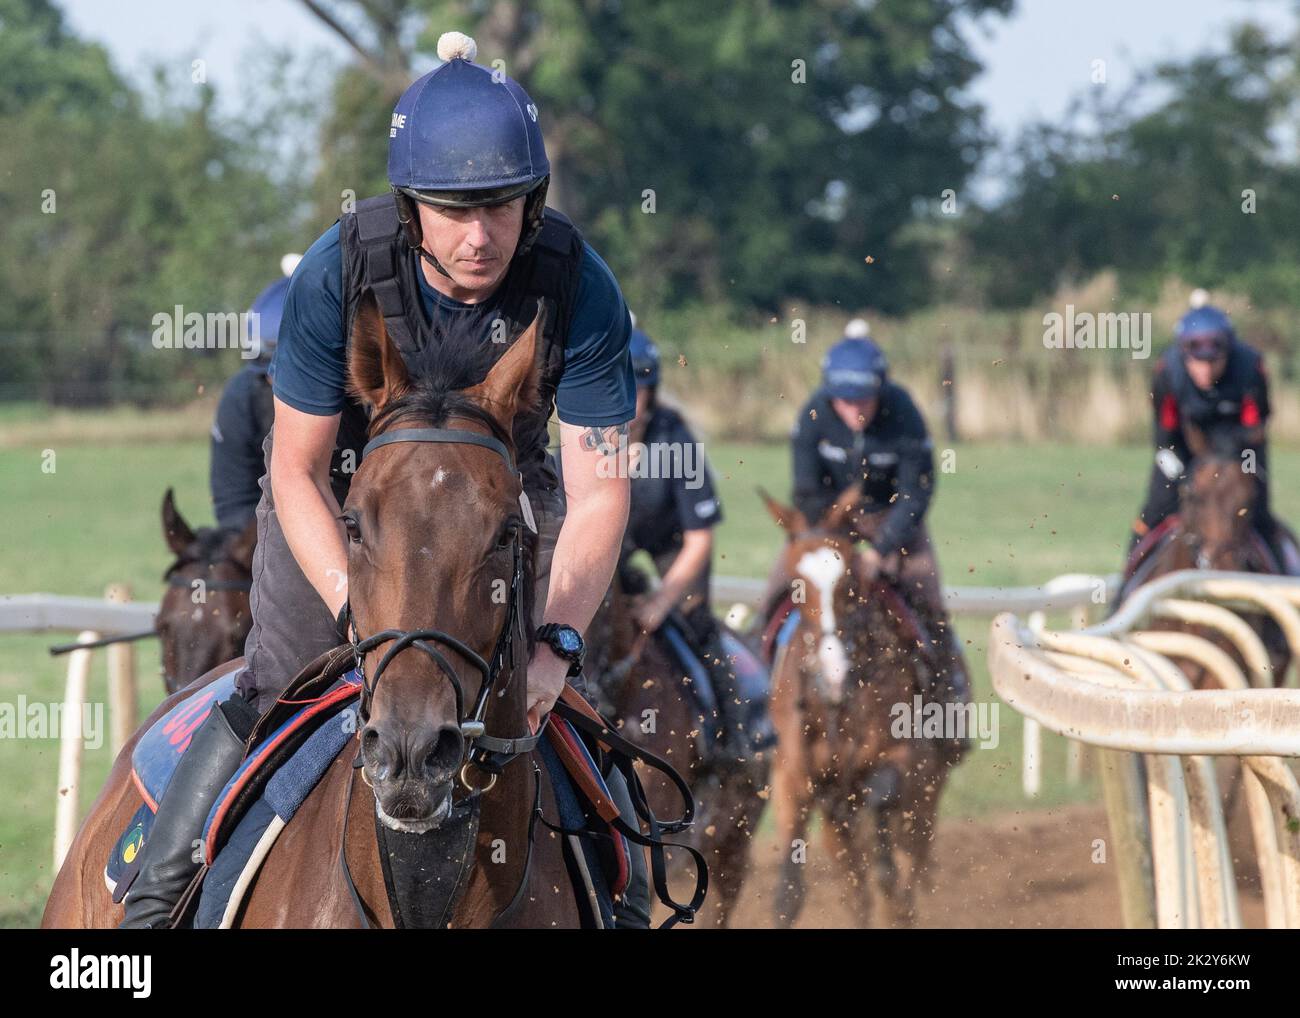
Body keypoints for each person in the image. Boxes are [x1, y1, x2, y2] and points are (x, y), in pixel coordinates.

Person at [122, 31, 650, 928]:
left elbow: (600, 492)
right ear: (411, 210)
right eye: (453, 210)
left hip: (499, 509)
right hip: (341, 504)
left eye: (502, 207)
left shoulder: (580, 286)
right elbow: (293, 467)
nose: (480, 236)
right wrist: (351, 611)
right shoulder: (342, 268)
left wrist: (556, 648)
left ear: (535, 202)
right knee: (272, 684)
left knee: (563, 716)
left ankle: (626, 904)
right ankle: (153, 909)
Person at [763, 322, 970, 761]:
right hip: (827, 526)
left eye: (863, 400)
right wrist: (832, 543)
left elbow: (918, 490)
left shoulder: (906, 415)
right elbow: (805, 489)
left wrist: (882, 547)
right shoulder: (813, 416)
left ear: (881, 390)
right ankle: (756, 689)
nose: (855, 409)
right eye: (845, 400)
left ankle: (948, 697)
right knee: (776, 589)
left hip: (894, 526)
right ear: (830, 395)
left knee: (928, 597)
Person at [616, 326, 753, 762]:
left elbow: (699, 537)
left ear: (652, 391)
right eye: (618, 389)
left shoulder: (675, 437)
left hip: (671, 542)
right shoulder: (586, 435)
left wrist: (662, 601)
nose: (628, 404)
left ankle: (732, 739)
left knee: (695, 621)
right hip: (611, 542)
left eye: (637, 390)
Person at [1129, 301, 1296, 571]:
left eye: (1213, 362)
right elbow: (1165, 438)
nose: (1205, 372)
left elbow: (1254, 430)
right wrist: (1188, 475)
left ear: (1227, 354)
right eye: (1197, 363)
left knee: (1259, 514)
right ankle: (1125, 589)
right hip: (1181, 451)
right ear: (1185, 356)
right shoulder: (1167, 373)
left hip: (1241, 450)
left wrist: (1237, 469)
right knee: (1153, 512)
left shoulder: (1251, 369)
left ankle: (1283, 580)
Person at [209, 267, 296, 533]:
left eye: (285, 371)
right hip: (268, 536)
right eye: (266, 370)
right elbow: (234, 506)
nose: (274, 382)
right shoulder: (242, 398)